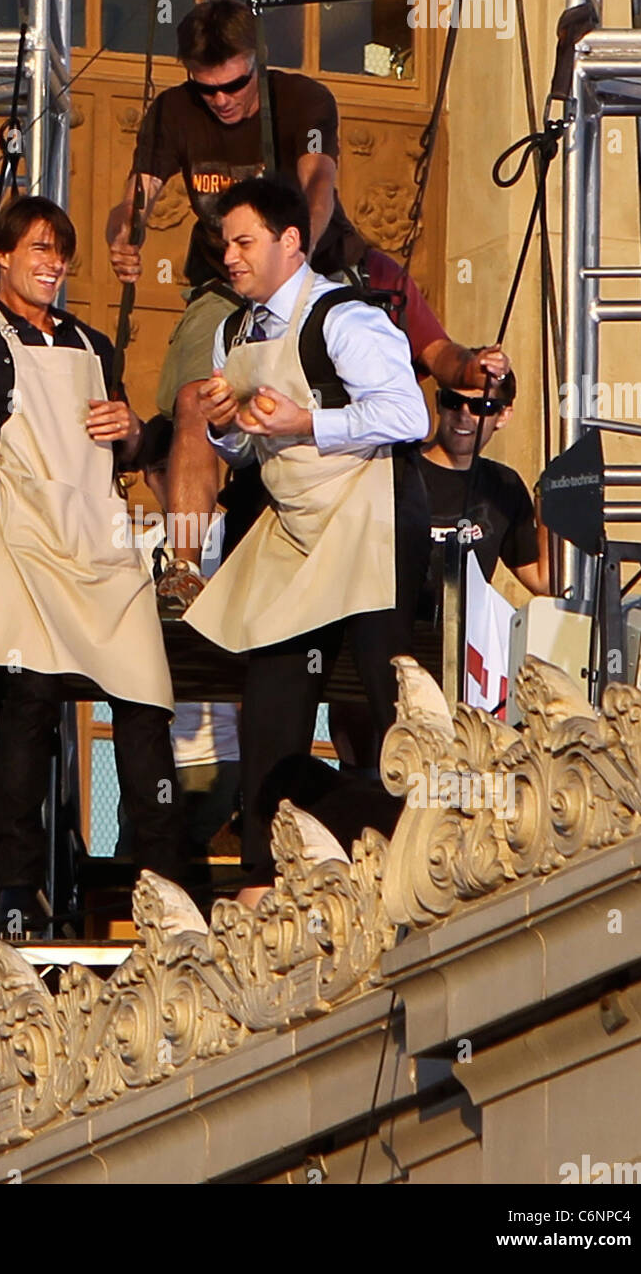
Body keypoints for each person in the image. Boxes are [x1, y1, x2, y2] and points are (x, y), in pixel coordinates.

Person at [106, 0, 511, 610]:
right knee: (196, 396)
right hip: (226, 289)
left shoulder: (302, 104)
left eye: (235, 83)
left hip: (315, 286)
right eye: (204, 87)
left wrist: (298, 260)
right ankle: (182, 566)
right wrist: (124, 231)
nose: (220, 99)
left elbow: (319, 183)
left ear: (258, 63)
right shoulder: (173, 114)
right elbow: (137, 195)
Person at [0, 196, 185, 930]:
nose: (54, 264)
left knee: (146, 706)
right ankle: (16, 897)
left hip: (105, 542)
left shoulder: (93, 344)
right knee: (26, 716)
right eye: (40, 249)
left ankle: (163, 886)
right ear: (1, 255)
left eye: (62, 253)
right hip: (24, 542)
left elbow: (138, 451)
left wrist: (134, 429)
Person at [188, 176, 431, 901]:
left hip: (370, 517)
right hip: (294, 528)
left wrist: (308, 424)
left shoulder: (343, 318)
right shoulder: (234, 331)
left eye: (244, 241)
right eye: (224, 244)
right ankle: (264, 874)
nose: (229, 256)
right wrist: (225, 429)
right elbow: (243, 451)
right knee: (272, 700)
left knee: (391, 698)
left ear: (290, 243)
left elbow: (408, 413)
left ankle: (426, 850)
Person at [418, 375, 551, 609]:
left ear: (503, 416)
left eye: (482, 406)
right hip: (390, 639)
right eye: (453, 401)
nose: (464, 415)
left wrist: (551, 499)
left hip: (464, 639)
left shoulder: (504, 485)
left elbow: (544, 583)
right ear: (438, 402)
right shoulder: (397, 468)